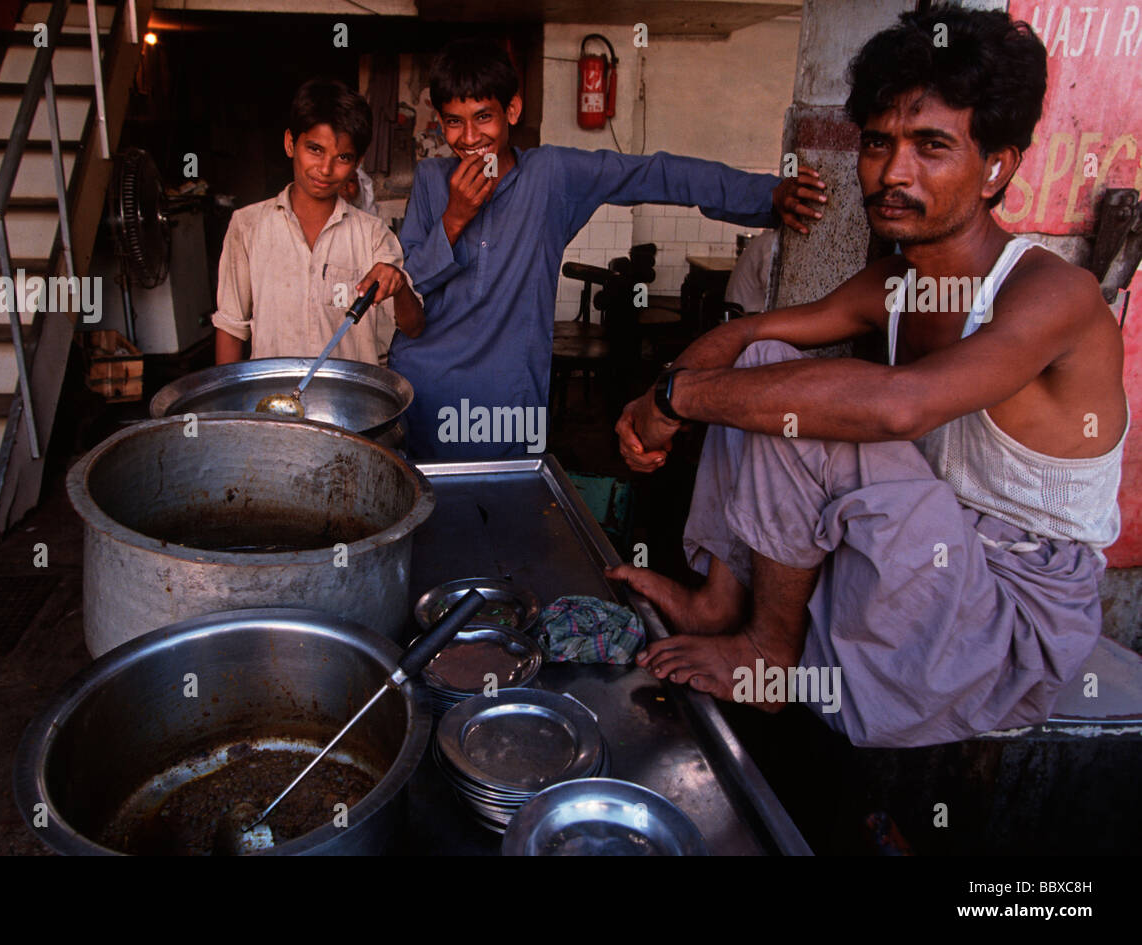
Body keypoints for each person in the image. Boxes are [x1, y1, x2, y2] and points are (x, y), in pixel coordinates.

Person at [606, 5, 1128, 748]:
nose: (892, 173)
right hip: (924, 570)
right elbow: (747, 333)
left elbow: (897, 408)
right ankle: (721, 604)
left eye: (932, 147)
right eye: (879, 143)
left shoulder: (1050, 296)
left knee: (815, 412)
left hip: (1008, 623)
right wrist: (650, 407)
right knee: (764, 369)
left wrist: (675, 398)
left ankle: (771, 655)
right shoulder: (895, 283)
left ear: (998, 167)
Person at [389, 39, 825, 458]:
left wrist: (765, 195)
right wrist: (454, 219)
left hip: (506, 392)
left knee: (503, 509)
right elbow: (409, 293)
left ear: (513, 110)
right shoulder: (432, 181)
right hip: (426, 384)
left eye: (483, 117)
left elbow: (655, 174)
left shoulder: (552, 174)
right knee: (421, 506)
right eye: (452, 121)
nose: (468, 137)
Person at [212, 79, 423, 367]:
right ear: (290, 143)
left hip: (351, 404)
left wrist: (399, 287)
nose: (325, 169)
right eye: (314, 149)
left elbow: (413, 327)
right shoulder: (247, 226)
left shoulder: (373, 235)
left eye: (343, 157)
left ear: (357, 162)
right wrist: (228, 409)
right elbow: (231, 328)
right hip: (272, 406)